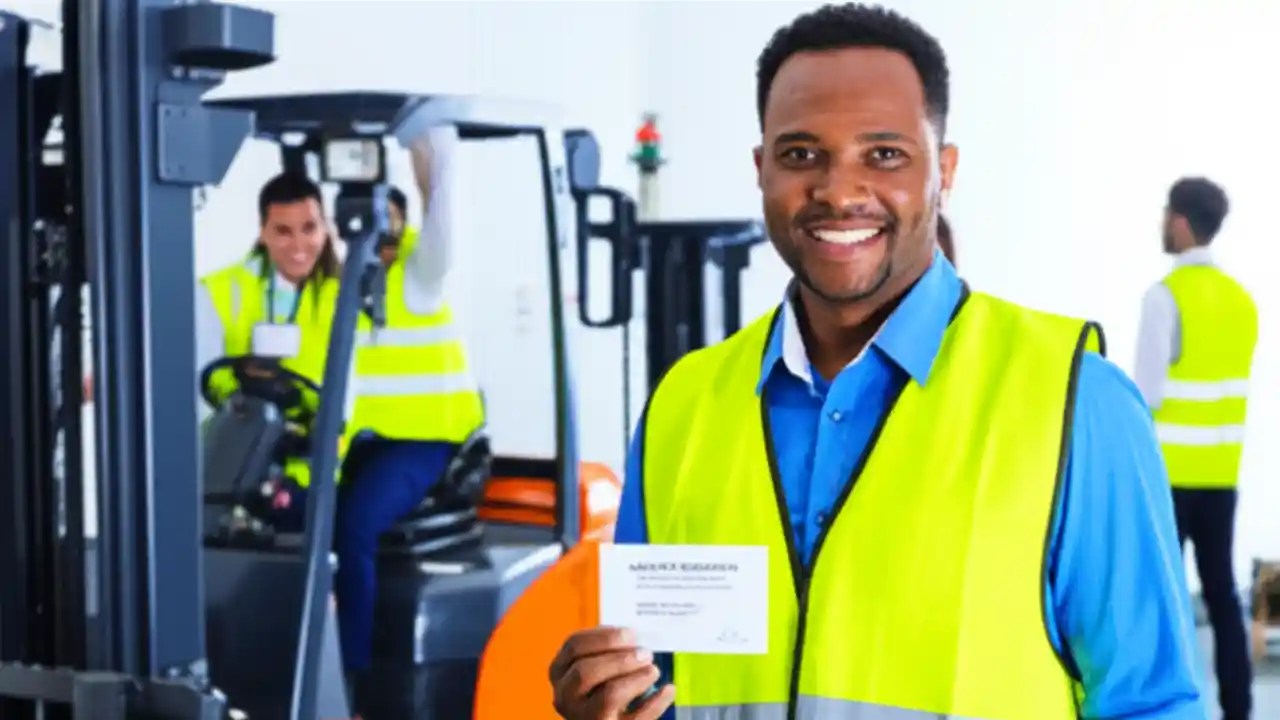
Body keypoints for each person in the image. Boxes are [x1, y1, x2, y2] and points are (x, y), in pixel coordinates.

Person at [548, 4, 1205, 720]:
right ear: (761, 168)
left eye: (884, 155)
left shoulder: (1077, 402)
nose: (838, 190)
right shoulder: (683, 406)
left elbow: (1152, 703)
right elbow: (665, 687)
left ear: (943, 171)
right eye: (801, 154)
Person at [333, 123, 486, 704]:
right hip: (365, 442)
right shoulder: (336, 290)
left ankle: (351, 683)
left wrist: (432, 148)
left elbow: (442, 225)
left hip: (428, 441)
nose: (378, 241)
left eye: (389, 227)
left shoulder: (416, 283)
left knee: (354, 526)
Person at [1134, 176, 1258, 720]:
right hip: (1220, 474)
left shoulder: (1165, 297)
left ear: (1181, 221)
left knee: (1156, 598)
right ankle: (1238, 710)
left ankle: (1159, 705)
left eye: (1167, 213)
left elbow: (1146, 394)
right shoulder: (1241, 302)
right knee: (1224, 598)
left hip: (1169, 473)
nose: (1163, 222)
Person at [196, 171, 341, 521]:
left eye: (309, 229)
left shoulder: (346, 296)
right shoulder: (219, 291)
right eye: (283, 232)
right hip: (238, 458)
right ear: (262, 233)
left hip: (321, 464)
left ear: (326, 227)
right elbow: (199, 380)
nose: (298, 246)